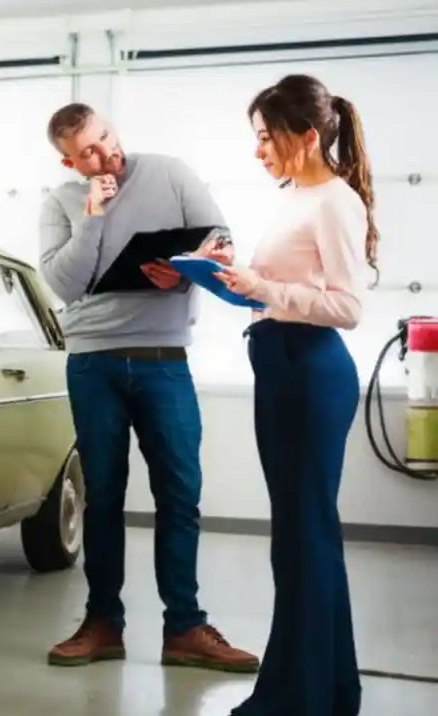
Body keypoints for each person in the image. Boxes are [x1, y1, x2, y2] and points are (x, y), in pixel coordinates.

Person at [38, 102, 259, 672]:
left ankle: (184, 627)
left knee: (181, 496)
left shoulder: (170, 172)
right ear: (68, 159)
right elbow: (64, 284)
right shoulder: (60, 201)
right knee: (104, 497)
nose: (105, 152)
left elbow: (222, 242)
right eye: (86, 150)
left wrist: (190, 267)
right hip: (93, 364)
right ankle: (102, 623)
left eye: (105, 137)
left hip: (165, 361)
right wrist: (93, 216)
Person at [215, 73, 371, 716]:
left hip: (308, 370)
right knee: (306, 536)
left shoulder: (335, 202)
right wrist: (228, 277)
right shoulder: (297, 199)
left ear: (306, 136)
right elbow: (276, 292)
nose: (258, 151)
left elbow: (348, 307)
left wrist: (264, 288)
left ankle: (298, 700)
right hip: (283, 364)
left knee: (303, 537)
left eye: (265, 137)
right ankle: (323, 694)